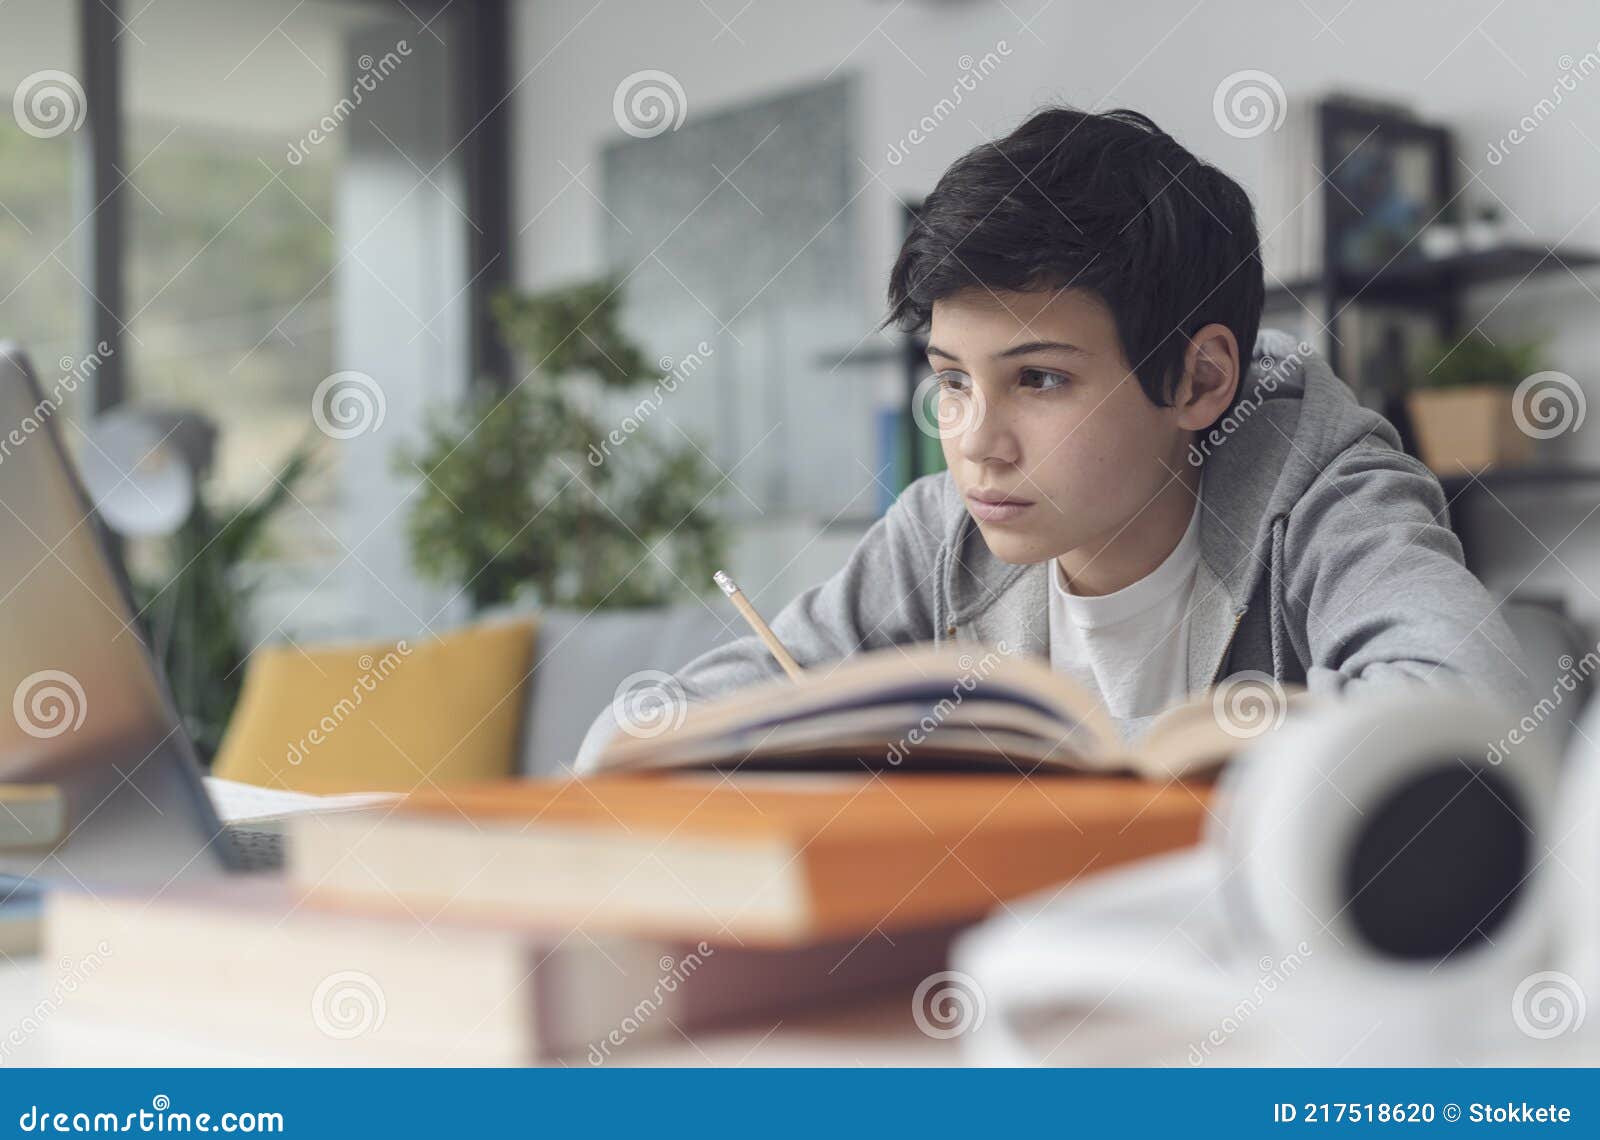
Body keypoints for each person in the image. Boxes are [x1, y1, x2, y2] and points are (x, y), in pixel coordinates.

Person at [575, 104, 1528, 770]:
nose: (977, 444)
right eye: (952, 381)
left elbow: (1470, 707)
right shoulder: (939, 532)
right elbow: (631, 739)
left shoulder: (1328, 490)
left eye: (1039, 379)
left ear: (1199, 380)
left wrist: (1121, 763)